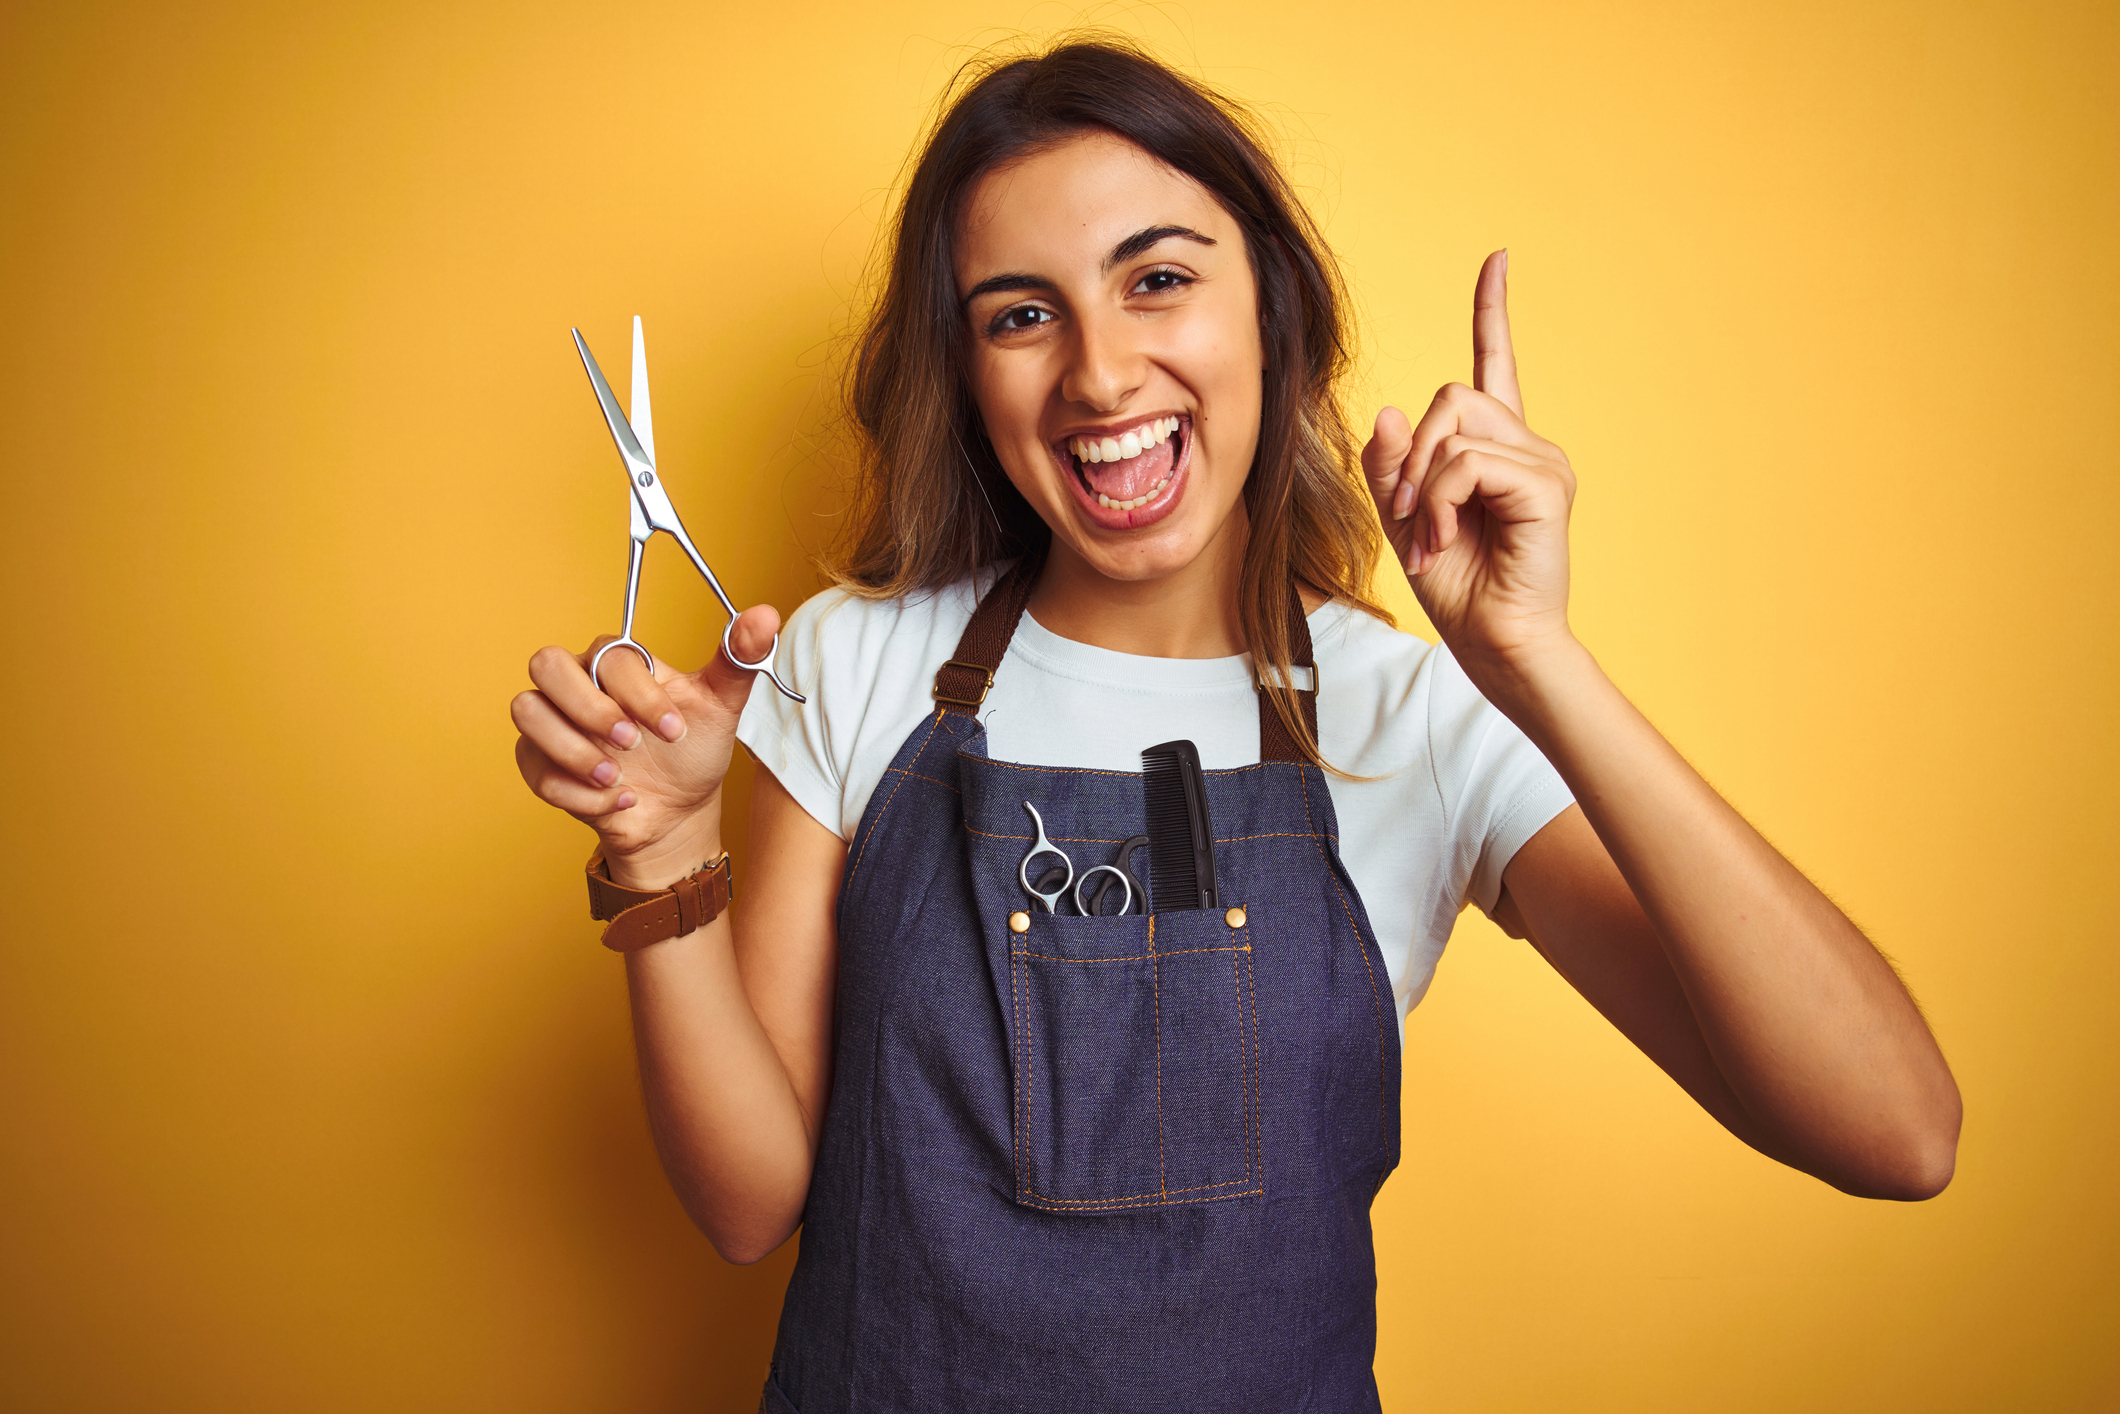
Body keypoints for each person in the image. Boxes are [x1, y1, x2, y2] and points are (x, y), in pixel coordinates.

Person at [509, 38, 1960, 1413]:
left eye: (1155, 280)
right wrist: (664, 849)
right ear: (967, 376)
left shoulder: (1413, 717)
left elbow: (1893, 1132)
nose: (1097, 372)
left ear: (1268, 304)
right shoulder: (858, 660)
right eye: (1022, 313)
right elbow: (751, 1202)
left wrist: (1536, 661)